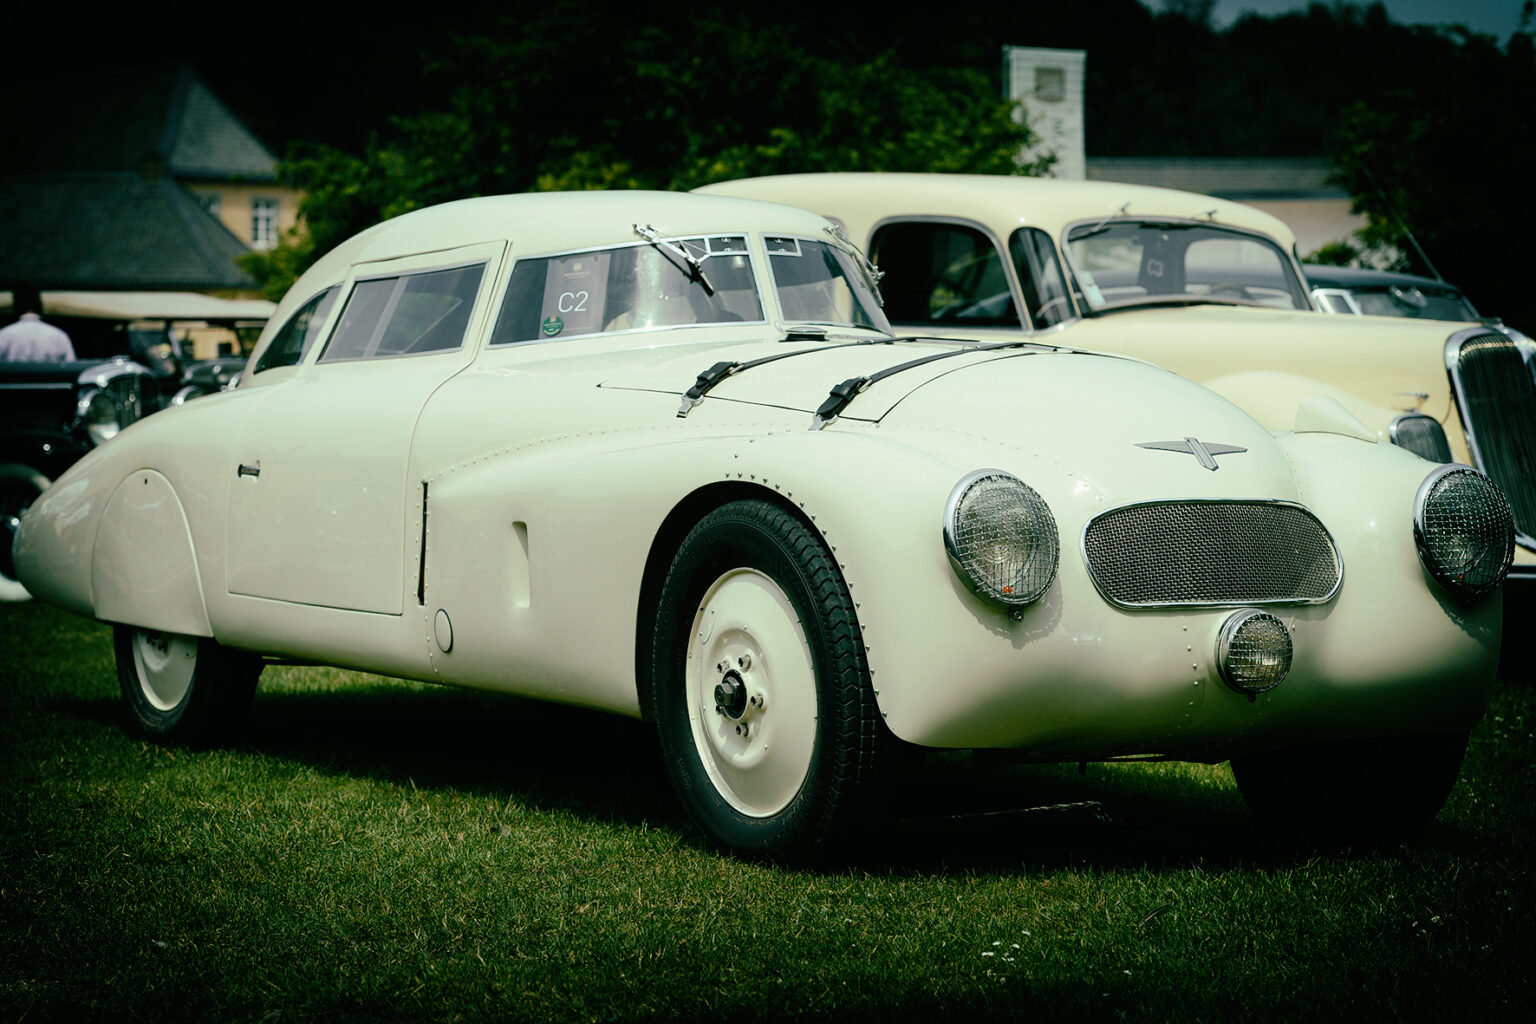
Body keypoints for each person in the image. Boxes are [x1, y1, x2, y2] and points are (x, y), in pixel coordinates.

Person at [0, 298, 76, 362]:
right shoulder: (59, 335)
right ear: (40, 307)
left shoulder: (4, 334)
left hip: (12, 379)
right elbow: (70, 364)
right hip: (50, 379)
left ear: (16, 307)